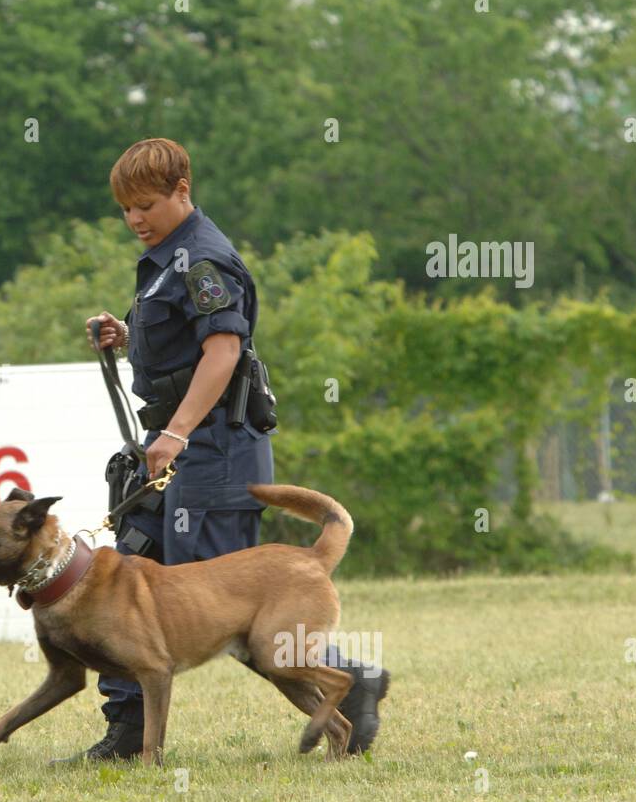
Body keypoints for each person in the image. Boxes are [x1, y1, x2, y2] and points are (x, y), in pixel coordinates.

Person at [55, 137, 388, 763]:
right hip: (175, 452)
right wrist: (128, 337)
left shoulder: (203, 259)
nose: (134, 220)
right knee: (128, 579)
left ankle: (350, 684)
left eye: (146, 205)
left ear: (183, 190)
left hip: (212, 453)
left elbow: (224, 351)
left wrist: (175, 433)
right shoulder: (167, 258)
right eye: (125, 209)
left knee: (228, 606)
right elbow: (185, 345)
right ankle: (127, 734)